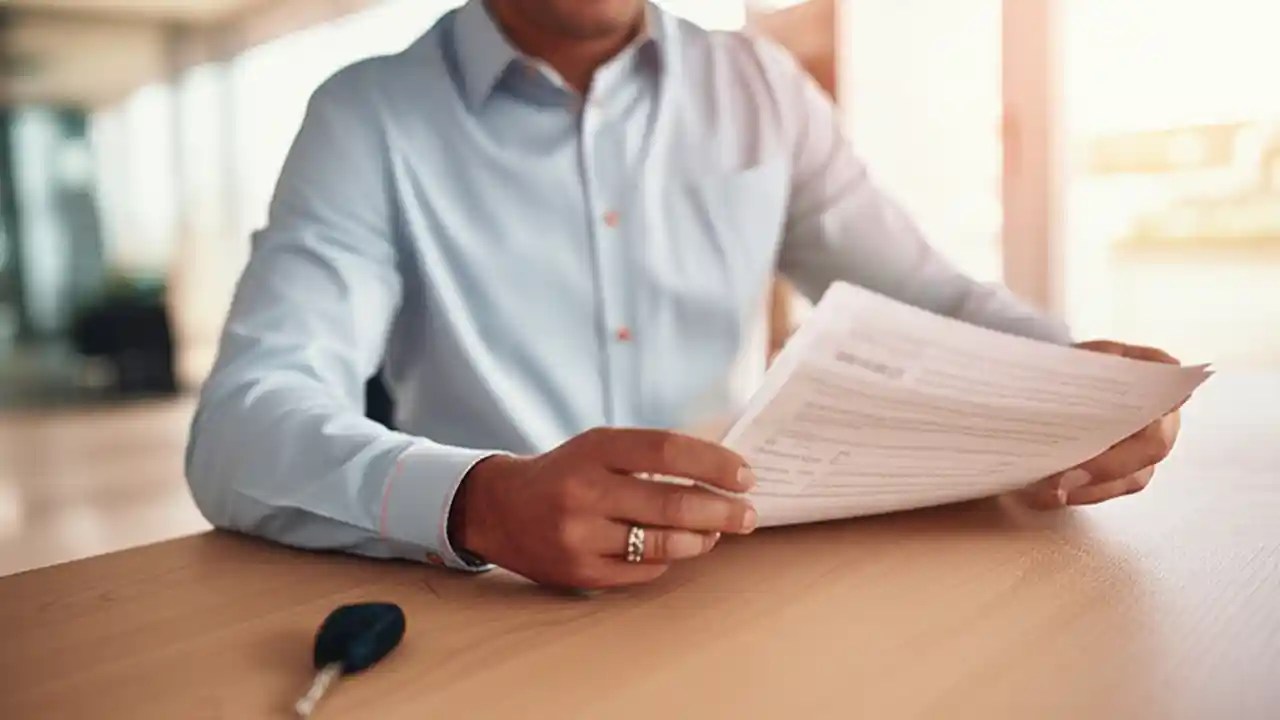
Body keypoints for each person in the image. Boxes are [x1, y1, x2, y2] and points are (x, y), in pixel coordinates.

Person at [186, 0, 1184, 590]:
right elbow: (241, 424)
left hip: (741, 578)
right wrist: (479, 502)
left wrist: (1069, 384)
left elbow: (926, 295)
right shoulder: (367, 118)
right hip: (491, 607)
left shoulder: (759, 86)